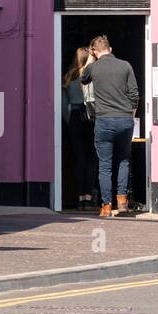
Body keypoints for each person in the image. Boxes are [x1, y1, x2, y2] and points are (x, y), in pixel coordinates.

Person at [81, 35, 140, 217]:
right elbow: (134, 94)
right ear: (111, 49)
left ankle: (106, 206)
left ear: (95, 51)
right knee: (123, 160)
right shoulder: (125, 65)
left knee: (105, 164)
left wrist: (91, 58)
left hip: (104, 120)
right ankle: (122, 200)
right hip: (124, 119)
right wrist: (130, 115)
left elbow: (83, 78)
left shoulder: (94, 67)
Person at [62, 47, 99, 210]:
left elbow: (64, 106)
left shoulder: (69, 77)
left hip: (75, 116)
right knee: (92, 158)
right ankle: (89, 197)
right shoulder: (92, 76)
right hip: (91, 116)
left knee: (79, 158)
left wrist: (69, 121)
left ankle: (79, 197)